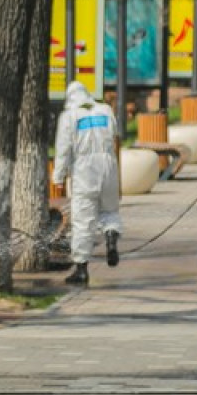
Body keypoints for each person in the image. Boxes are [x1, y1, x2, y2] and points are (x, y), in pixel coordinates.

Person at [51, 80, 123, 287]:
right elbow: (115, 137)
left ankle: (81, 269)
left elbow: (63, 149)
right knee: (110, 210)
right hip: (108, 166)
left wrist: (58, 177)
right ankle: (111, 236)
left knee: (83, 220)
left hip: (84, 169)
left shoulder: (69, 116)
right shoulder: (105, 110)